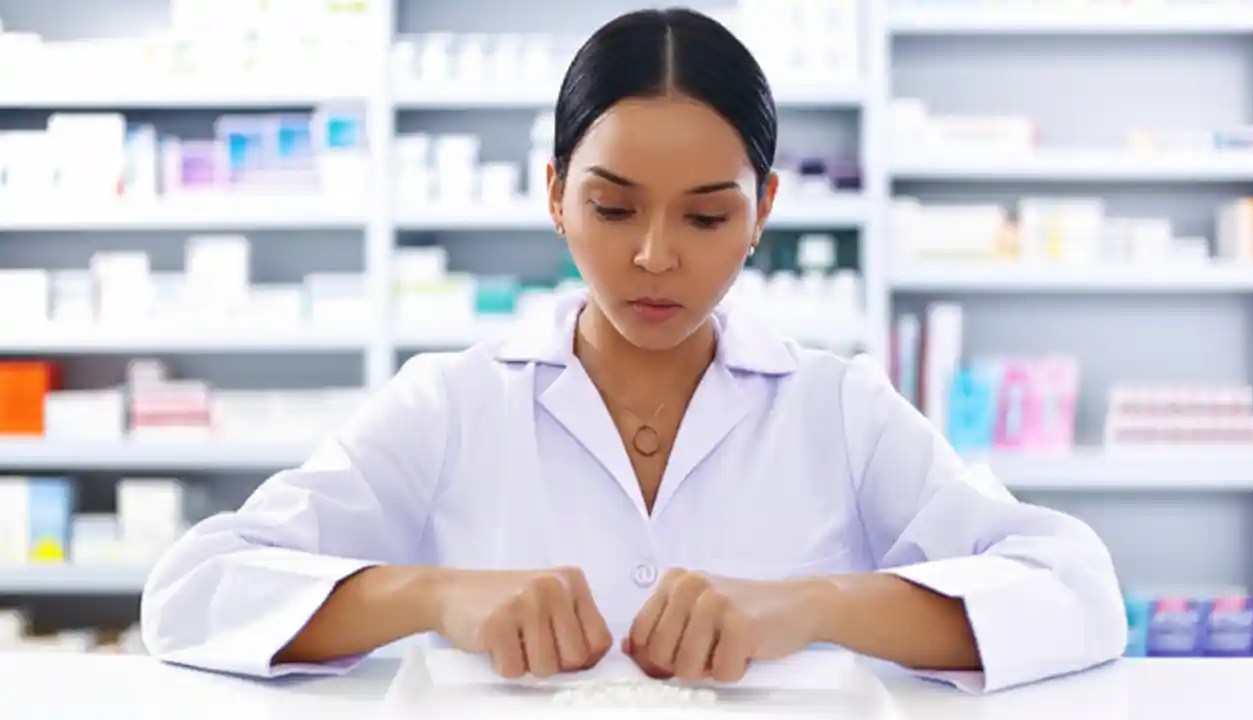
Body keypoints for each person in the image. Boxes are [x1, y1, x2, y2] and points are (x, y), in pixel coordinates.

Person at [141, 8, 1126, 694]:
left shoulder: (834, 406)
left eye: (705, 216)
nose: (655, 256)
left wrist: (814, 606)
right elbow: (194, 591)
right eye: (612, 207)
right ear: (554, 194)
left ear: (762, 212)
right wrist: (435, 597)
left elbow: (1073, 590)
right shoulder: (452, 403)